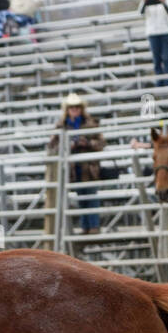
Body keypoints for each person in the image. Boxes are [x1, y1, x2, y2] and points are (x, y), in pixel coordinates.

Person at [55, 93, 103, 235]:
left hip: (89, 167)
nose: (75, 110)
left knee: (91, 196)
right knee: (81, 198)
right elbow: (53, 146)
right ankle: (85, 227)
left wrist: (87, 143)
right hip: (73, 168)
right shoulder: (61, 126)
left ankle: (93, 226)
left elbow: (101, 143)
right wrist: (68, 145)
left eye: (77, 107)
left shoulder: (91, 124)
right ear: (68, 110)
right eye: (72, 107)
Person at [139, 0, 168, 88]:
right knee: (156, 59)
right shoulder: (146, 1)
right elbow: (140, 13)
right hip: (152, 32)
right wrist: (145, 1)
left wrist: (163, 2)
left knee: (166, 57)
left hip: (165, 31)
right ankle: (159, 81)